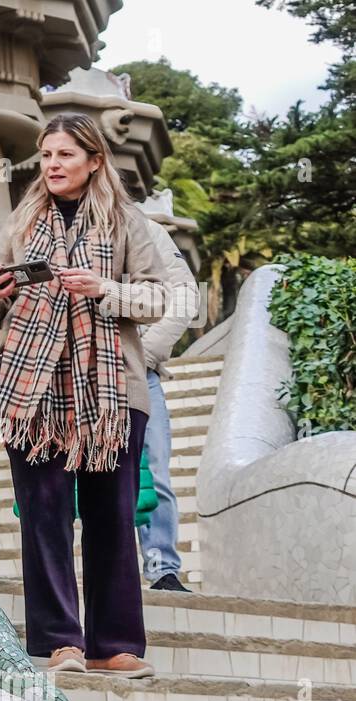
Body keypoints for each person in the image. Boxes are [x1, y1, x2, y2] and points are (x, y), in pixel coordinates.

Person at [0, 112, 173, 678]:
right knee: (45, 514)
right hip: (32, 390)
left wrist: (105, 287)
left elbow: (159, 299)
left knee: (111, 516)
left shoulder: (126, 222)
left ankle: (115, 644)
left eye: (65, 155)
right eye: (47, 154)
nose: (52, 165)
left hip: (111, 394)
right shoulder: (23, 219)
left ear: (94, 160)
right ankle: (61, 642)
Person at [136, 216, 199, 592]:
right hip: (76, 374)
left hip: (138, 373)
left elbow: (186, 295)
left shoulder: (144, 228)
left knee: (153, 471)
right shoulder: (51, 226)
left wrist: (143, 353)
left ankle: (162, 567)